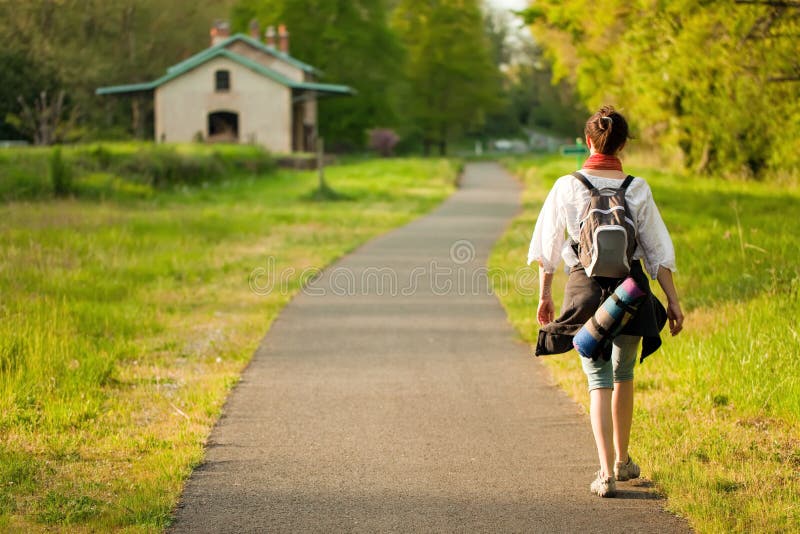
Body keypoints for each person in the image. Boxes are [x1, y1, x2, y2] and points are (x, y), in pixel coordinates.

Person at [527, 105, 684, 497]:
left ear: (587, 141)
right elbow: (657, 252)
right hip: (631, 290)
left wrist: (545, 295)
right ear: (623, 145)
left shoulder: (568, 185)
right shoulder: (638, 187)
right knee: (624, 372)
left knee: (599, 379)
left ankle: (605, 474)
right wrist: (673, 301)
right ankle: (623, 459)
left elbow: (548, 247)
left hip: (584, 289)